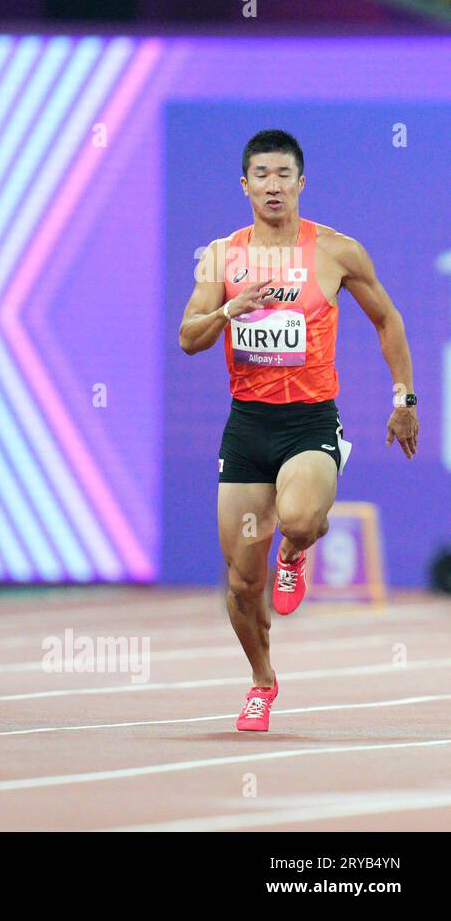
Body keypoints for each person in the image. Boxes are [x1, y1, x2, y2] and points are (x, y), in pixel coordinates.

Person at [179, 129, 418, 732]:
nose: (273, 185)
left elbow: (387, 319)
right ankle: (262, 681)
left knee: (304, 519)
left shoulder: (337, 252)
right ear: (245, 186)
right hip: (247, 428)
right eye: (261, 175)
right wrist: (230, 309)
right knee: (240, 583)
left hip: (310, 423)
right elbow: (188, 337)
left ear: (301, 182)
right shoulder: (221, 257)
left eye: (284, 174)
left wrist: (403, 397)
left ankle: (294, 553)